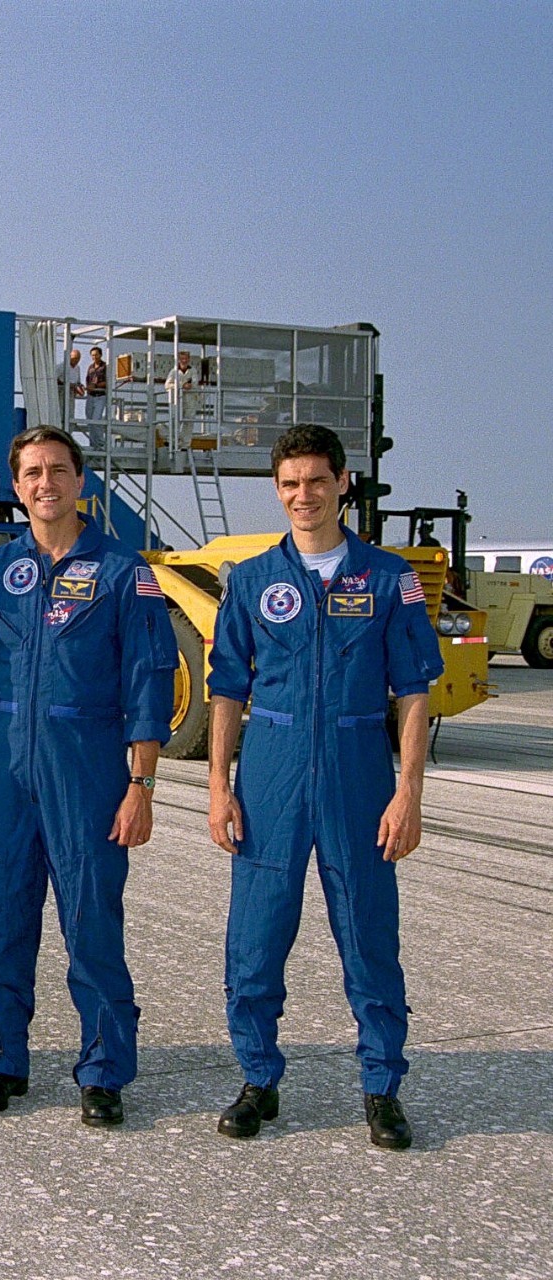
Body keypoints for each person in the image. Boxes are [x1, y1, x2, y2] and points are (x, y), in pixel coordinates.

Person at [206, 423, 443, 1150]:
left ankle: (382, 1088)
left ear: (343, 482)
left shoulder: (388, 578)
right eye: (289, 484)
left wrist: (409, 793)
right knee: (256, 935)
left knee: (369, 935)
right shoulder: (252, 580)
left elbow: (414, 690)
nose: (302, 495)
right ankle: (258, 1079)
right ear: (277, 491)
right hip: (271, 770)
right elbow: (226, 689)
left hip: (357, 770)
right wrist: (219, 785)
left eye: (315, 480)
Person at [0, 426, 176, 1127]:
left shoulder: (123, 571)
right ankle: (1, 1061)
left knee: (91, 925)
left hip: (88, 771)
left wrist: (141, 786)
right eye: (31, 473)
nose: (44, 483)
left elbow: (149, 682)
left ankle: (103, 1070)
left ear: (80, 481)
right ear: (17, 487)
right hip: (7, 774)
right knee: (1, 922)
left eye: (57, 470)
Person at [165, 351, 200, 427]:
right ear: (179, 359)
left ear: (189, 359)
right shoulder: (174, 371)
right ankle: (174, 435)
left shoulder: (193, 371)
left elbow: (194, 384)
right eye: (182, 359)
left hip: (189, 401)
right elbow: (167, 385)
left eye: (186, 358)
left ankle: (186, 436)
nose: (184, 361)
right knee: (175, 421)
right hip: (176, 400)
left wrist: (189, 385)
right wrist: (182, 385)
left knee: (189, 422)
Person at [57, 348, 84, 422]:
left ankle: (69, 428)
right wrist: (66, 384)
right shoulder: (61, 366)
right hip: (61, 393)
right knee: (61, 413)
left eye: (78, 358)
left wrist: (80, 387)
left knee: (70, 413)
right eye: (74, 358)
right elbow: (54, 378)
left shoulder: (77, 368)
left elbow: (78, 381)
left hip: (71, 394)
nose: (76, 360)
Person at [84, 347, 109, 422]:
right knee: (89, 418)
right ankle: (92, 430)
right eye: (92, 355)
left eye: (96, 355)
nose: (94, 357)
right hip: (90, 396)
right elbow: (88, 380)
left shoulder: (105, 366)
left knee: (96, 418)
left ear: (100, 355)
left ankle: (97, 431)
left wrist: (95, 386)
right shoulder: (90, 367)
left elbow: (108, 381)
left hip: (100, 396)